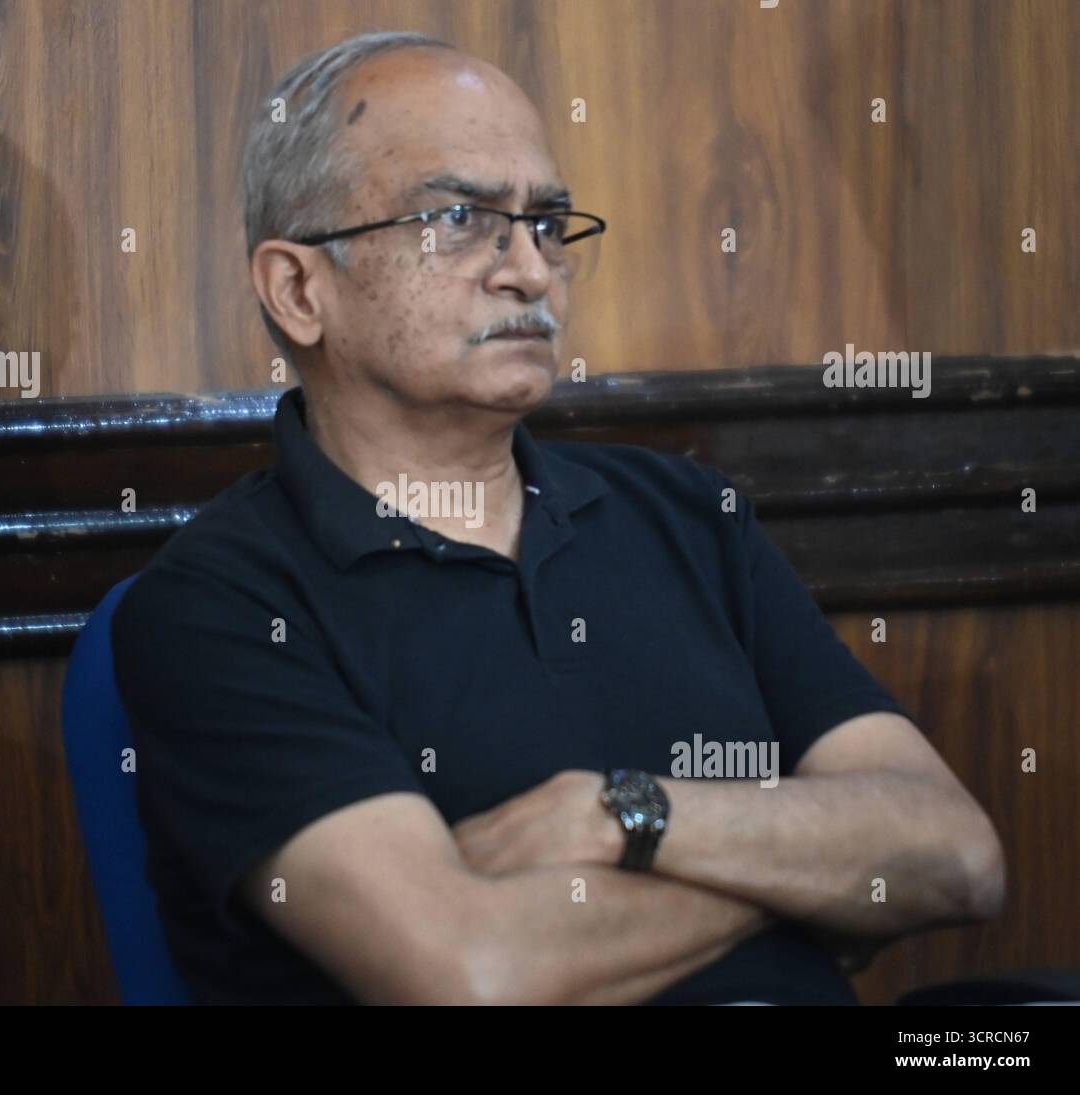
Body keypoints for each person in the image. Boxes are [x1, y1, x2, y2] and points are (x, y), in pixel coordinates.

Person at [111, 30, 1005, 1005]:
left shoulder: (687, 513)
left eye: (546, 223)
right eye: (459, 219)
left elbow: (957, 853)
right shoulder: (220, 604)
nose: (531, 272)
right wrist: (809, 876)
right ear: (298, 289)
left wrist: (619, 816)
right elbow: (474, 974)